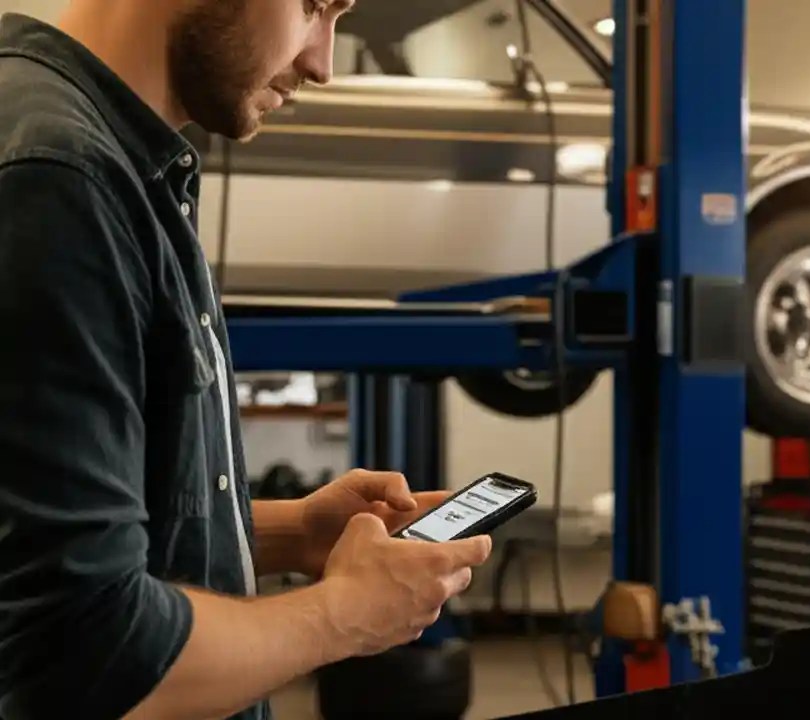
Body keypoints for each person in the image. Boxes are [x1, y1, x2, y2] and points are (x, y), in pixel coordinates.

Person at [0, 1, 493, 718]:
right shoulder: (62, 180)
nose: (322, 61)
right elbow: (87, 653)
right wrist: (344, 614)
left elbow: (43, 531)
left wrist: (292, 532)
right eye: (315, 6)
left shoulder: (109, 162)